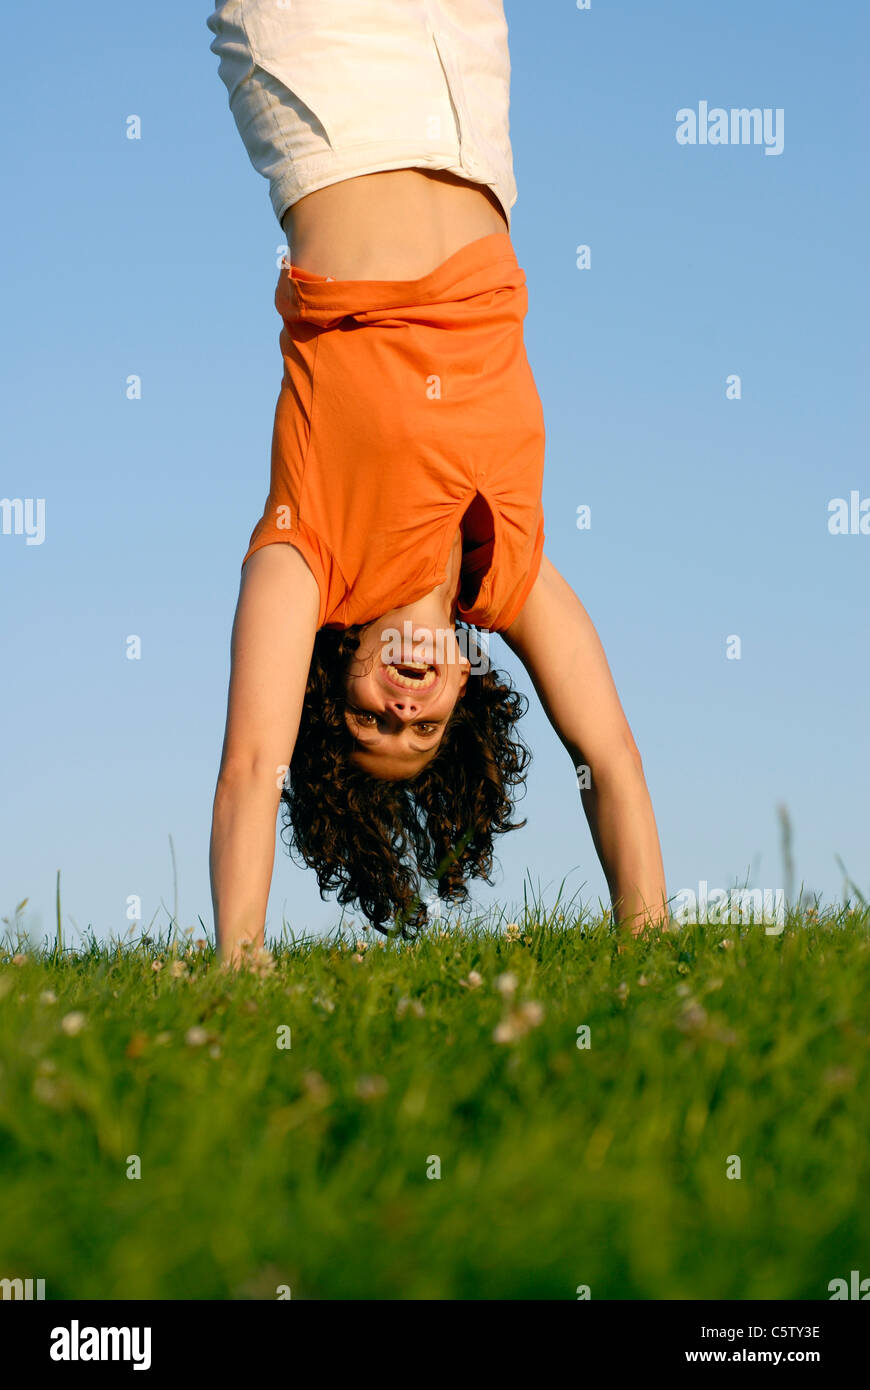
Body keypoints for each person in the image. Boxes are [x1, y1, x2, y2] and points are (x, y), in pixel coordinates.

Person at [206, 1, 669, 964]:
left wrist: (240, 962)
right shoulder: (508, 574)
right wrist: (649, 942)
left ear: (328, 675)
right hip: (462, 96)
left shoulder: (308, 560)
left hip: (322, 75)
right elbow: (609, 756)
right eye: (421, 731)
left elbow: (252, 766)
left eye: (369, 719)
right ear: (464, 685)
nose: (403, 709)